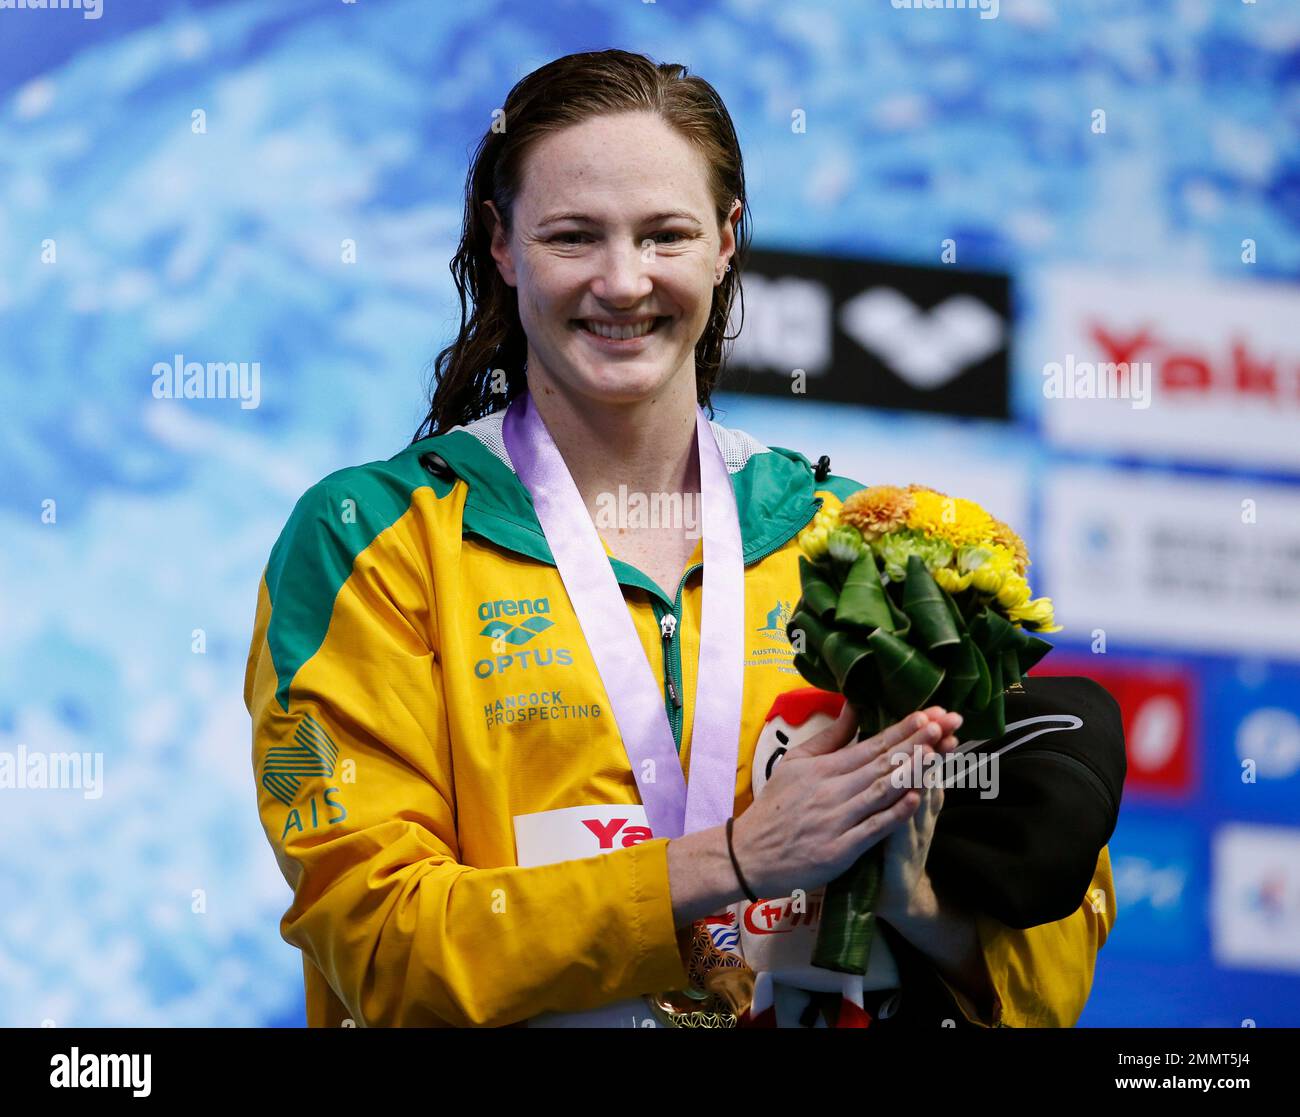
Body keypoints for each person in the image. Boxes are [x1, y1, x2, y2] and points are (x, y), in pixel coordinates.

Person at [244, 49, 1113, 1028]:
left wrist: (928, 906)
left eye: (665, 235)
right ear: (500, 243)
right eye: (574, 236)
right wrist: (733, 860)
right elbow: (379, 945)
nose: (623, 282)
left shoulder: (876, 550)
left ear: (726, 241)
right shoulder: (372, 541)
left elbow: (1048, 984)